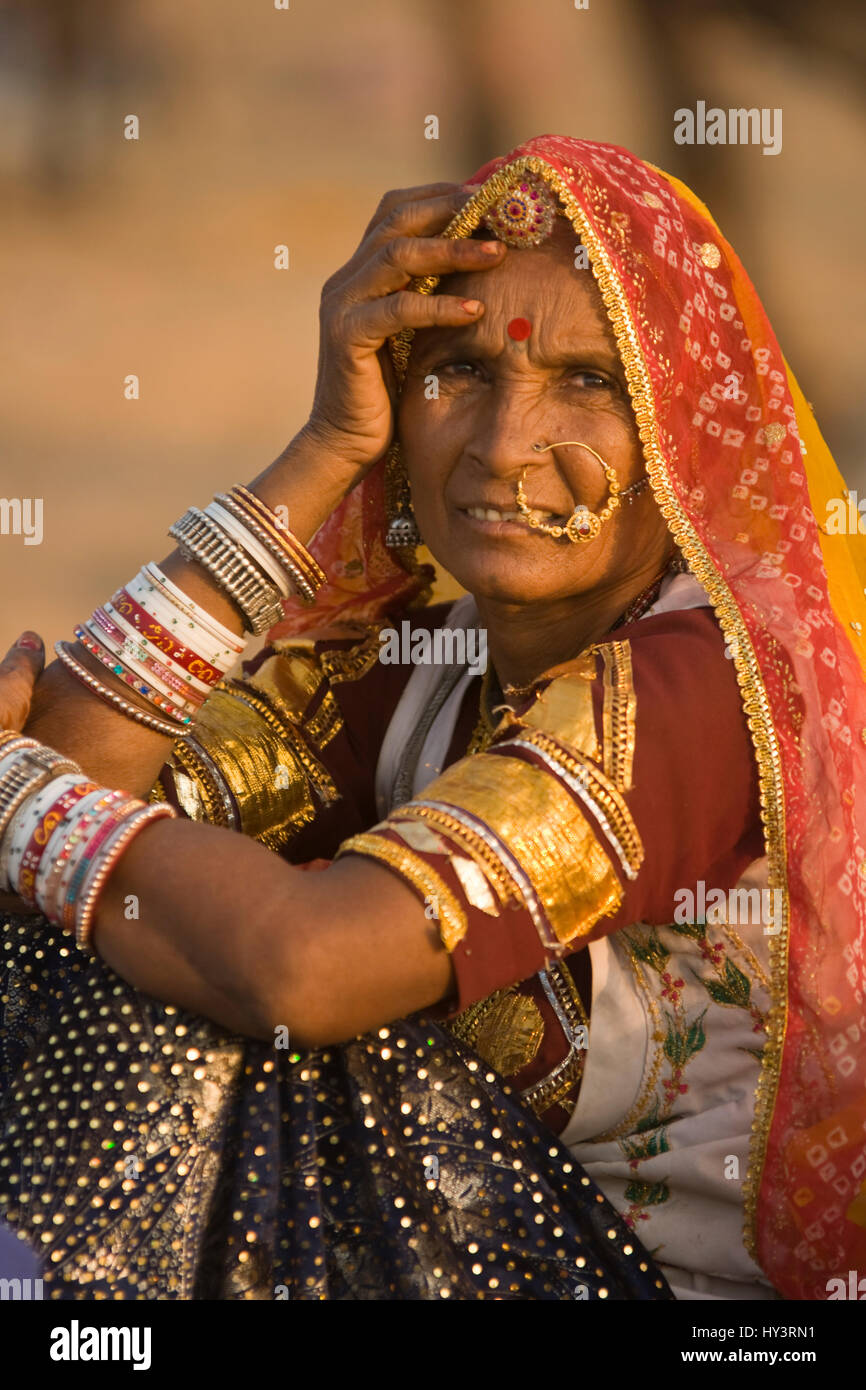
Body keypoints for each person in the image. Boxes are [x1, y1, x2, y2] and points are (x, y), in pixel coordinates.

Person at [0, 134, 864, 1301]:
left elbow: (302, 967)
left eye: (589, 383)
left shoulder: (712, 686)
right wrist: (323, 449)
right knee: (62, 947)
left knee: (201, 1027)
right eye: (451, 373)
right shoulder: (428, 660)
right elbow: (77, 792)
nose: (505, 448)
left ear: (681, 430)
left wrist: (13, 790)